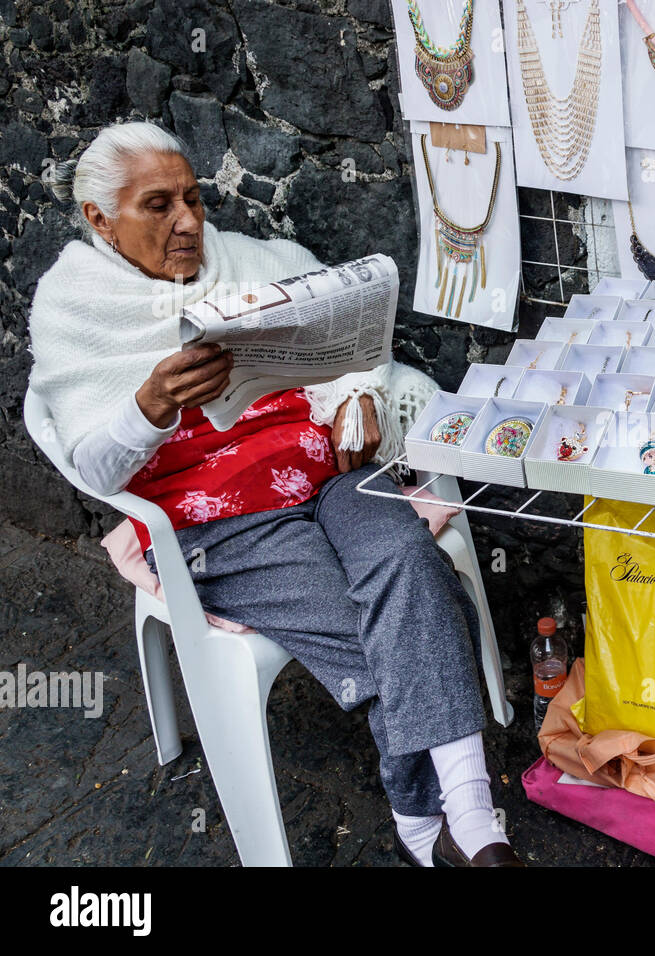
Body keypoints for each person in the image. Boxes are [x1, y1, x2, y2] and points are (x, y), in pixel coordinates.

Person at [28, 121, 520, 867]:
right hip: (219, 518)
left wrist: (358, 395)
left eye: (192, 198)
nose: (189, 221)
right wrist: (148, 407)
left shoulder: (249, 262)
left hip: (329, 469)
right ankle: (461, 827)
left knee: (401, 556)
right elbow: (94, 472)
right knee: (417, 605)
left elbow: (348, 341)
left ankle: (446, 827)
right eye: (157, 206)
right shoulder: (74, 305)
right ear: (100, 219)